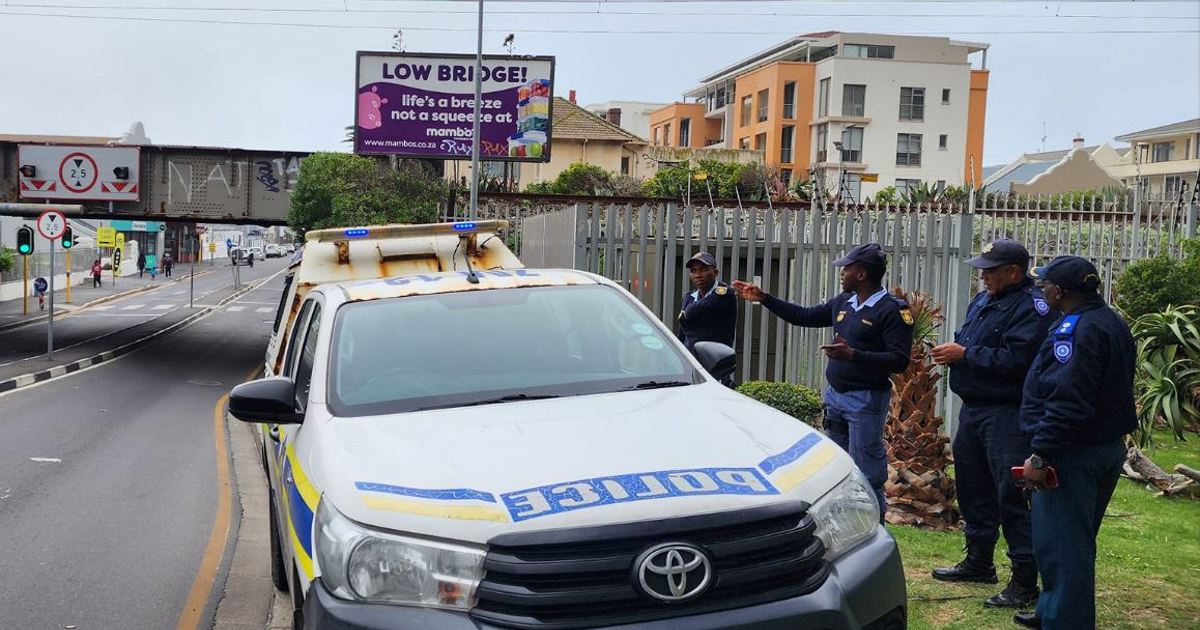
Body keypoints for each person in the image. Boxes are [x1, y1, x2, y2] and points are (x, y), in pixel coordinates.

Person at [732, 243, 912, 516]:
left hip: (865, 400)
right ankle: (840, 521)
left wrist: (854, 355)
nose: (841, 273)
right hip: (835, 397)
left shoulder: (891, 310)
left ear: (861, 274)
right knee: (837, 468)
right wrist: (764, 298)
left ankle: (874, 528)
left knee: (867, 471)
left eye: (846, 268)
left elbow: (899, 360)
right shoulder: (843, 303)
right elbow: (804, 316)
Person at [928, 239, 1058, 609]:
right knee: (973, 487)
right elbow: (972, 341)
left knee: (1012, 494)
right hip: (974, 408)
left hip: (1007, 413)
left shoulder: (1033, 307)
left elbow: (1019, 360)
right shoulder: (985, 300)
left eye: (989, 270)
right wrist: (957, 352)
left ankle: (1023, 580)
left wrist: (967, 355)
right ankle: (979, 561)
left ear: (1013, 272)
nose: (982, 276)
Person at [1012, 255, 1136, 630]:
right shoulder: (1111, 321)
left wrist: (1042, 454)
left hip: (1071, 453)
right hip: (1104, 447)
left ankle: (1065, 621)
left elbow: (1068, 400)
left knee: (1064, 548)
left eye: (1044, 284)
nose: (1041, 289)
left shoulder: (1075, 331)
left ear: (1059, 291)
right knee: (1071, 541)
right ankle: (1053, 609)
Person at [676, 251, 737, 355]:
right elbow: (682, 334)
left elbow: (691, 312)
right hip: (691, 360)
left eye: (703, 270)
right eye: (693, 271)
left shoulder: (725, 293)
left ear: (715, 272)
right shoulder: (689, 297)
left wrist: (687, 312)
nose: (698, 275)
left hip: (715, 361)